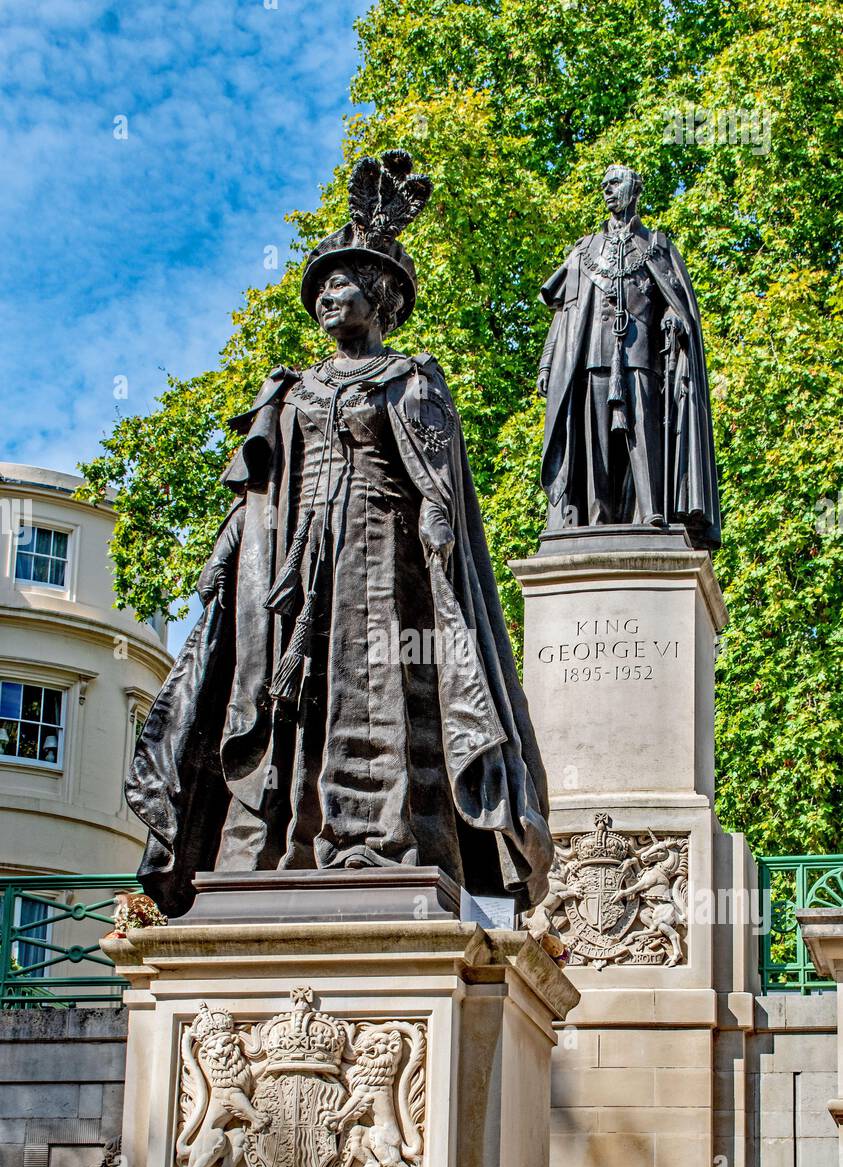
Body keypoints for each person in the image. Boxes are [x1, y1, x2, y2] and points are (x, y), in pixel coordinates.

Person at [127, 150, 553, 918]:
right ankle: (280, 846)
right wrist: (227, 560)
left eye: (344, 285)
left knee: (378, 694)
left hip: (383, 560)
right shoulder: (292, 387)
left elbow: (435, 484)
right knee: (287, 699)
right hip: (294, 565)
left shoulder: (409, 377)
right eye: (322, 287)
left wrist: (435, 534)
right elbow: (256, 491)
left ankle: (383, 845)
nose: (329, 296)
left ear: (381, 298)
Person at [537, 164, 720, 547]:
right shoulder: (585, 250)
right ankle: (597, 520)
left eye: (615, 183)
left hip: (643, 361)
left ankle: (651, 510)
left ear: (634, 189)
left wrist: (673, 319)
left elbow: (677, 303)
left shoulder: (656, 245)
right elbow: (565, 313)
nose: (607, 189)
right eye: (603, 184)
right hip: (592, 361)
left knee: (645, 437)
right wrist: (549, 362)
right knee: (597, 445)